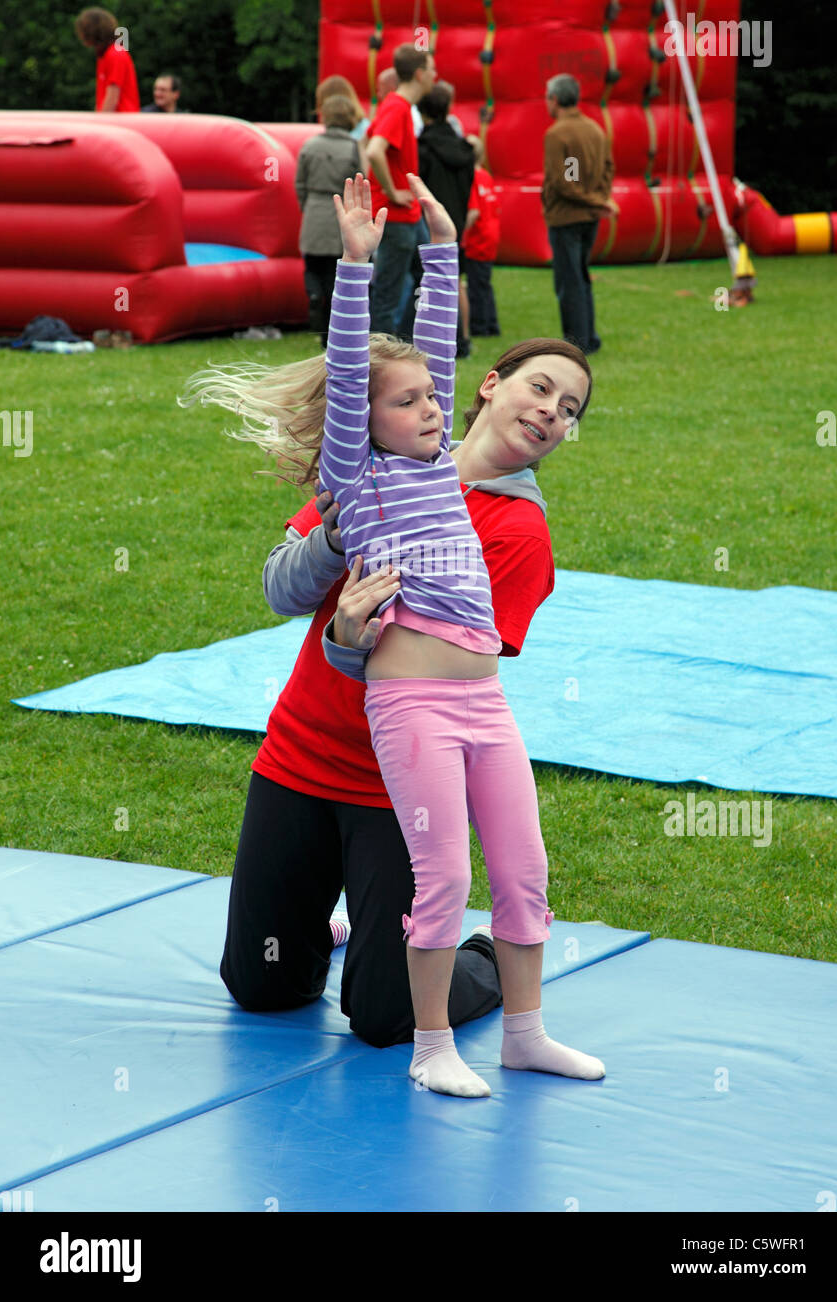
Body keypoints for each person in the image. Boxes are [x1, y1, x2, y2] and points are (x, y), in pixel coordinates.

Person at [179, 190, 595, 1075]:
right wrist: (332, 542)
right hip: (300, 756)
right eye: (539, 387)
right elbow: (278, 586)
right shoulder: (376, 470)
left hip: (395, 779)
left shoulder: (508, 523)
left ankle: (474, 957)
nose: (551, 413)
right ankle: (338, 920)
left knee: (380, 1017)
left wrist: (350, 643)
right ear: (491, 383)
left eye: (570, 410)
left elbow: (446, 673)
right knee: (264, 985)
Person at [396, 83, 475, 356]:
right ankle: (461, 340)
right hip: (456, 223)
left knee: (422, 282)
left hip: (427, 225)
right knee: (453, 281)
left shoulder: (421, 150)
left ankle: (412, 337)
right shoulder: (465, 149)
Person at [542, 74, 617, 354]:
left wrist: (589, 198)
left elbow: (561, 182)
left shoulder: (557, 134)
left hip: (565, 216)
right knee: (581, 276)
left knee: (569, 280)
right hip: (590, 217)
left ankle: (576, 342)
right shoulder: (595, 130)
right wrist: (598, 198)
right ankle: (589, 335)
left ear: (556, 99)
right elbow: (608, 167)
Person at [366, 43, 436, 334]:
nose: (436, 76)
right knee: (387, 294)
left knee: (429, 278)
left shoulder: (400, 107)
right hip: (396, 215)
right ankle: (378, 360)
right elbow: (373, 150)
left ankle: (405, 343)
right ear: (420, 74)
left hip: (409, 215)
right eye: (433, 70)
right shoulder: (396, 107)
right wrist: (393, 191)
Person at [295, 95, 363, 346]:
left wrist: (307, 205)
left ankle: (313, 294)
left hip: (314, 209)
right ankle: (329, 333)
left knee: (312, 266)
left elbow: (299, 182)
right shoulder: (354, 147)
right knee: (335, 276)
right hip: (340, 212)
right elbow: (360, 181)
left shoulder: (309, 145)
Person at [463, 134, 502, 337]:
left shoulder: (471, 177)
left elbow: (474, 211)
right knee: (484, 283)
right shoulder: (485, 175)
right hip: (491, 235)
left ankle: (479, 326)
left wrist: (461, 234)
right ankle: (492, 324)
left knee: (476, 286)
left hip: (478, 238)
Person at [74, 7, 140, 113]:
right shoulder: (105, 55)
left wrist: (101, 123)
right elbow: (104, 96)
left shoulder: (115, 54)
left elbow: (112, 97)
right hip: (115, 119)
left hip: (121, 120)